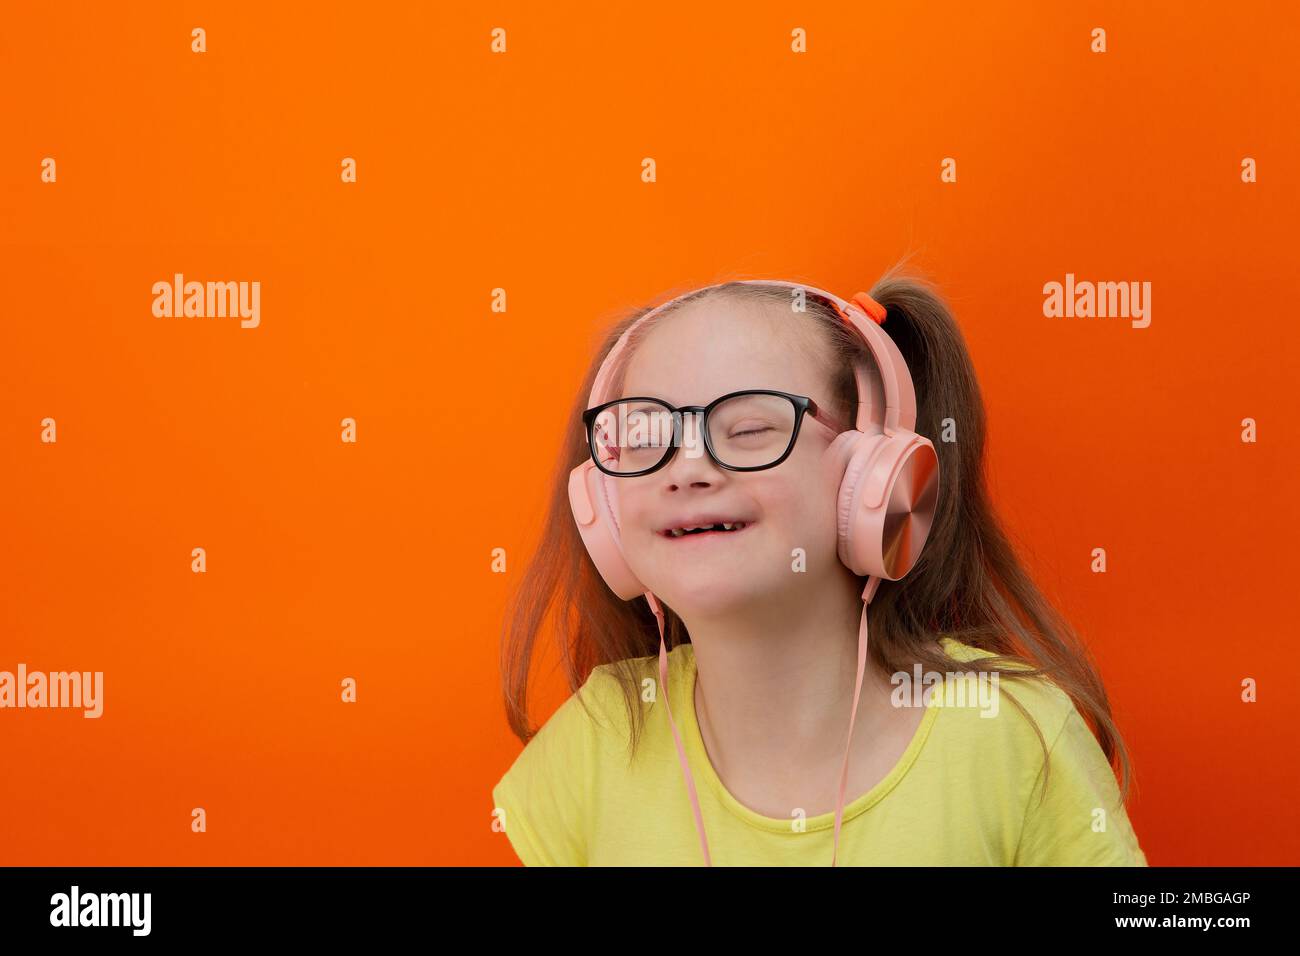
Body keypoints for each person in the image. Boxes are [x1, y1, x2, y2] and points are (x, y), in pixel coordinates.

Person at [492, 262, 1148, 866]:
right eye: (643, 436)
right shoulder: (598, 741)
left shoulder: (1010, 736)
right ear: (600, 500)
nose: (686, 470)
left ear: (872, 477)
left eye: (748, 430)